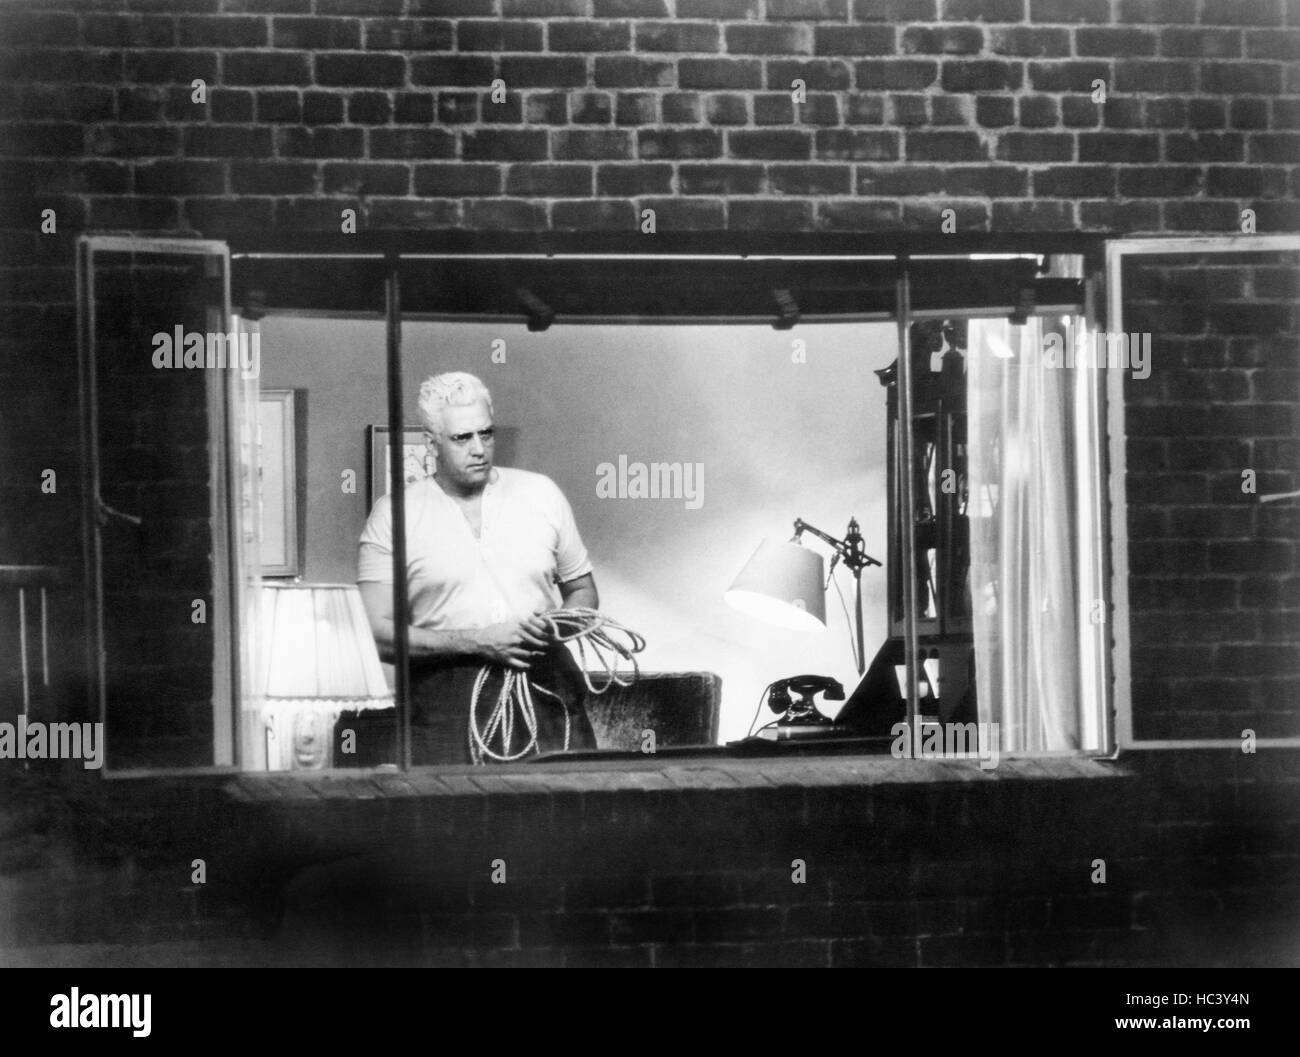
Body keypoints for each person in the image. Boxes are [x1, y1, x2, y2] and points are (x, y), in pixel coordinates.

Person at [357, 371, 600, 764]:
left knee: (566, 815)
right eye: (462, 438)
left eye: (486, 434)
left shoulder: (541, 494)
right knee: (458, 819)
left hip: (546, 688)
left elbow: (584, 591)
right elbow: (377, 633)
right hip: (445, 705)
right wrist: (474, 641)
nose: (479, 449)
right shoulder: (394, 515)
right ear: (432, 441)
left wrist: (554, 624)